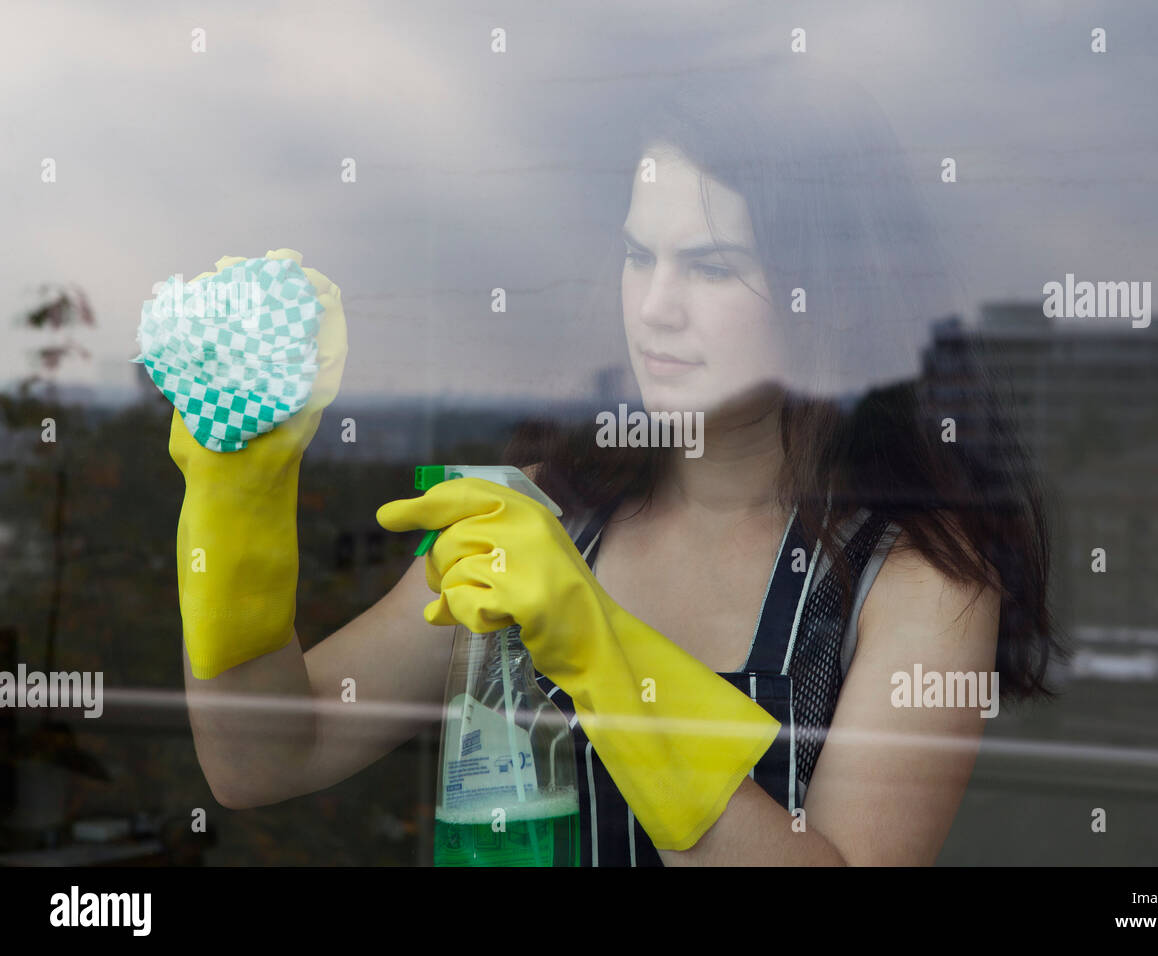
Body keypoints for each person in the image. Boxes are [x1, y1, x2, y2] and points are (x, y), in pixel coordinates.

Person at [179, 57, 1060, 866]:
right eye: (641, 257)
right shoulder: (539, 514)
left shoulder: (918, 577)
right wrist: (235, 498)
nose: (656, 309)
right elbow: (264, 757)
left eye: (711, 268)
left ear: (824, 291)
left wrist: (603, 654)